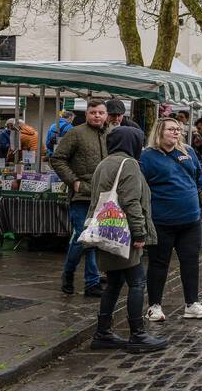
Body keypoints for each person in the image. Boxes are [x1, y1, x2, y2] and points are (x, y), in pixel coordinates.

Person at [86, 126, 167, 353]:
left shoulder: (105, 163)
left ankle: (102, 333)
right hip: (124, 233)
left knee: (113, 283)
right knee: (137, 282)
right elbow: (131, 202)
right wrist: (139, 232)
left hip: (107, 231)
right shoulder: (128, 164)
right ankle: (137, 334)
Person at [139, 116, 202, 321]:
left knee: (190, 262)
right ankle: (154, 306)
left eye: (178, 130)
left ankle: (192, 304)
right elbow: (141, 187)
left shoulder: (188, 152)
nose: (176, 132)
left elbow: (200, 180)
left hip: (191, 219)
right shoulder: (147, 157)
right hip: (162, 220)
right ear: (159, 131)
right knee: (159, 263)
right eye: (171, 129)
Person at [50, 100, 110, 296]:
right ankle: (87, 281)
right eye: (93, 112)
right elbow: (57, 159)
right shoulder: (76, 133)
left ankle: (74, 275)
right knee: (85, 238)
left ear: (106, 115)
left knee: (90, 239)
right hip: (81, 195)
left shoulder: (110, 134)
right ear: (86, 114)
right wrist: (73, 182)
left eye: (101, 112)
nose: (97, 116)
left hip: (104, 197)